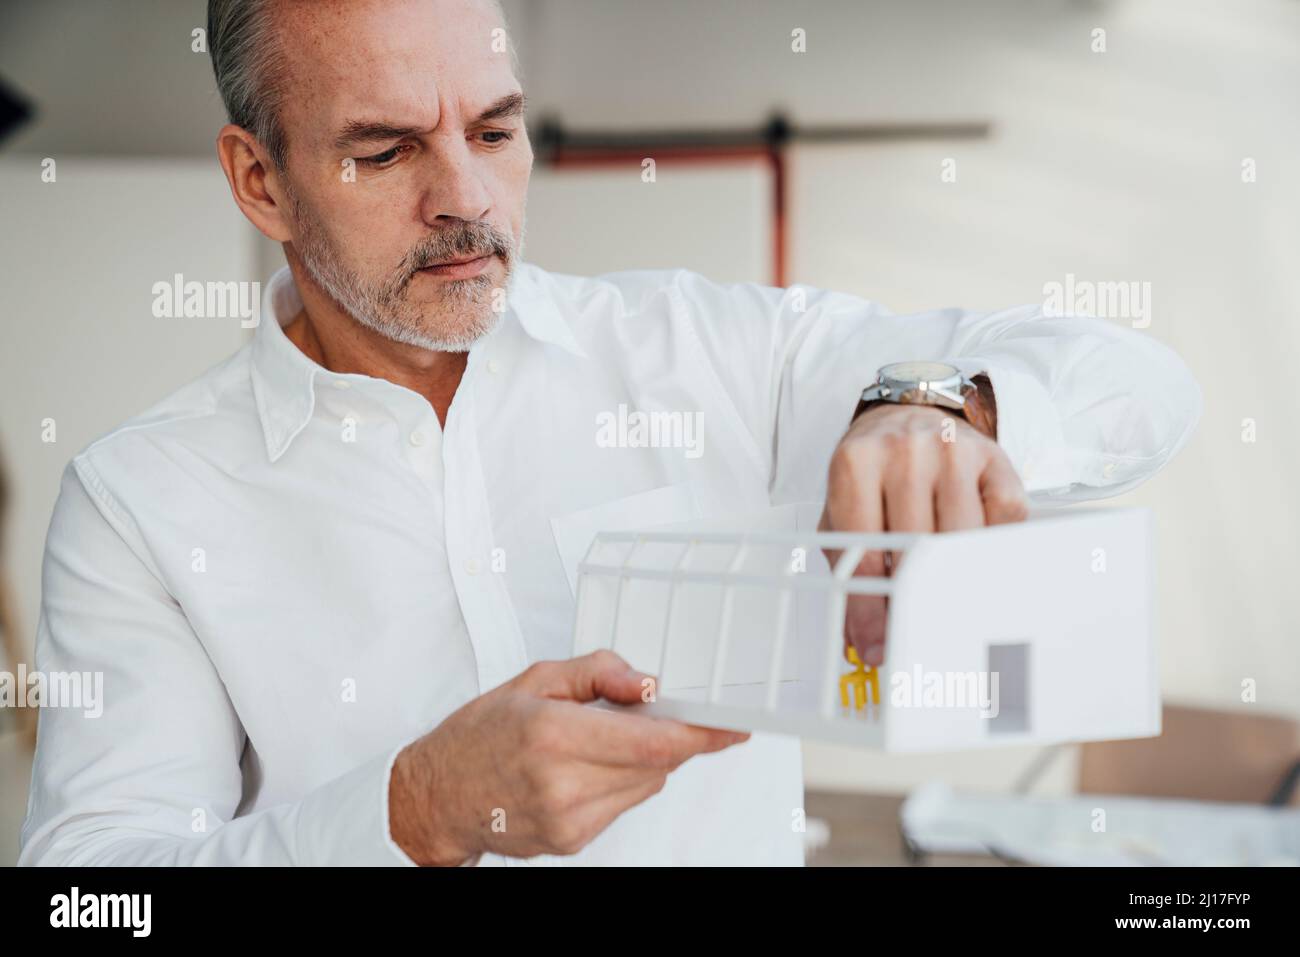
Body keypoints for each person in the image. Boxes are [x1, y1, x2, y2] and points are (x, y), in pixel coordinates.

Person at [19, 0, 1200, 866]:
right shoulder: (140, 502)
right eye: (384, 151)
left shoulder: (722, 355)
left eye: (493, 130)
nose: (466, 200)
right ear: (259, 180)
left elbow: (1143, 386)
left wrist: (941, 404)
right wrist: (411, 812)